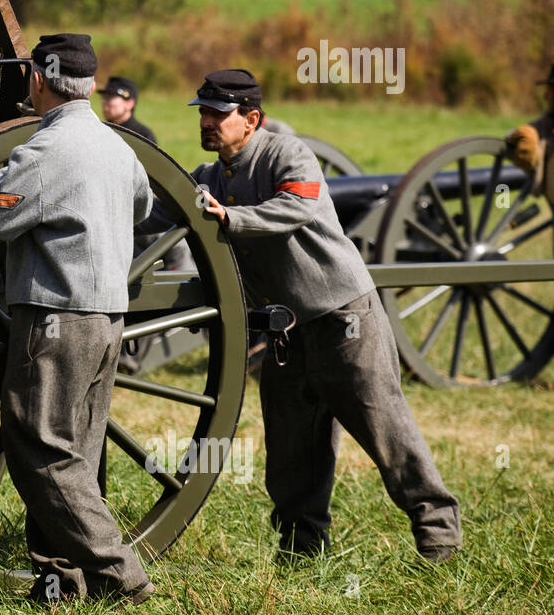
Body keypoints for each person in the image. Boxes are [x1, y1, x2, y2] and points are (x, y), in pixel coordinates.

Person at [188, 68, 462, 562]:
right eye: (204, 113)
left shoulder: (289, 155)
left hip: (344, 318)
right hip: (287, 330)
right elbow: (163, 210)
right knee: (291, 449)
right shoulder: (209, 177)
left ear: (251, 119)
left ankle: (439, 536)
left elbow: (296, 207)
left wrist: (233, 218)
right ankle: (301, 549)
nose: (207, 122)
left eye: (218, 114)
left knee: (386, 431)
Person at [0, 33, 156, 604]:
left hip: (54, 315)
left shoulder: (48, 149)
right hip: (107, 317)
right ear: (92, 84)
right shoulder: (117, 147)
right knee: (77, 447)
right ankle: (63, 580)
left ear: (40, 80)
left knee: (38, 450)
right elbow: (144, 206)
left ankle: (122, 577)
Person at [504, 63, 554, 206]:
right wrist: (527, 135)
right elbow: (510, 136)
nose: (545, 96)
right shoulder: (548, 123)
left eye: (550, 90)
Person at [99, 76, 156, 144]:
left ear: (129, 104)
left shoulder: (143, 136)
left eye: (110, 97)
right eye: (104, 97)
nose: (104, 102)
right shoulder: (100, 131)